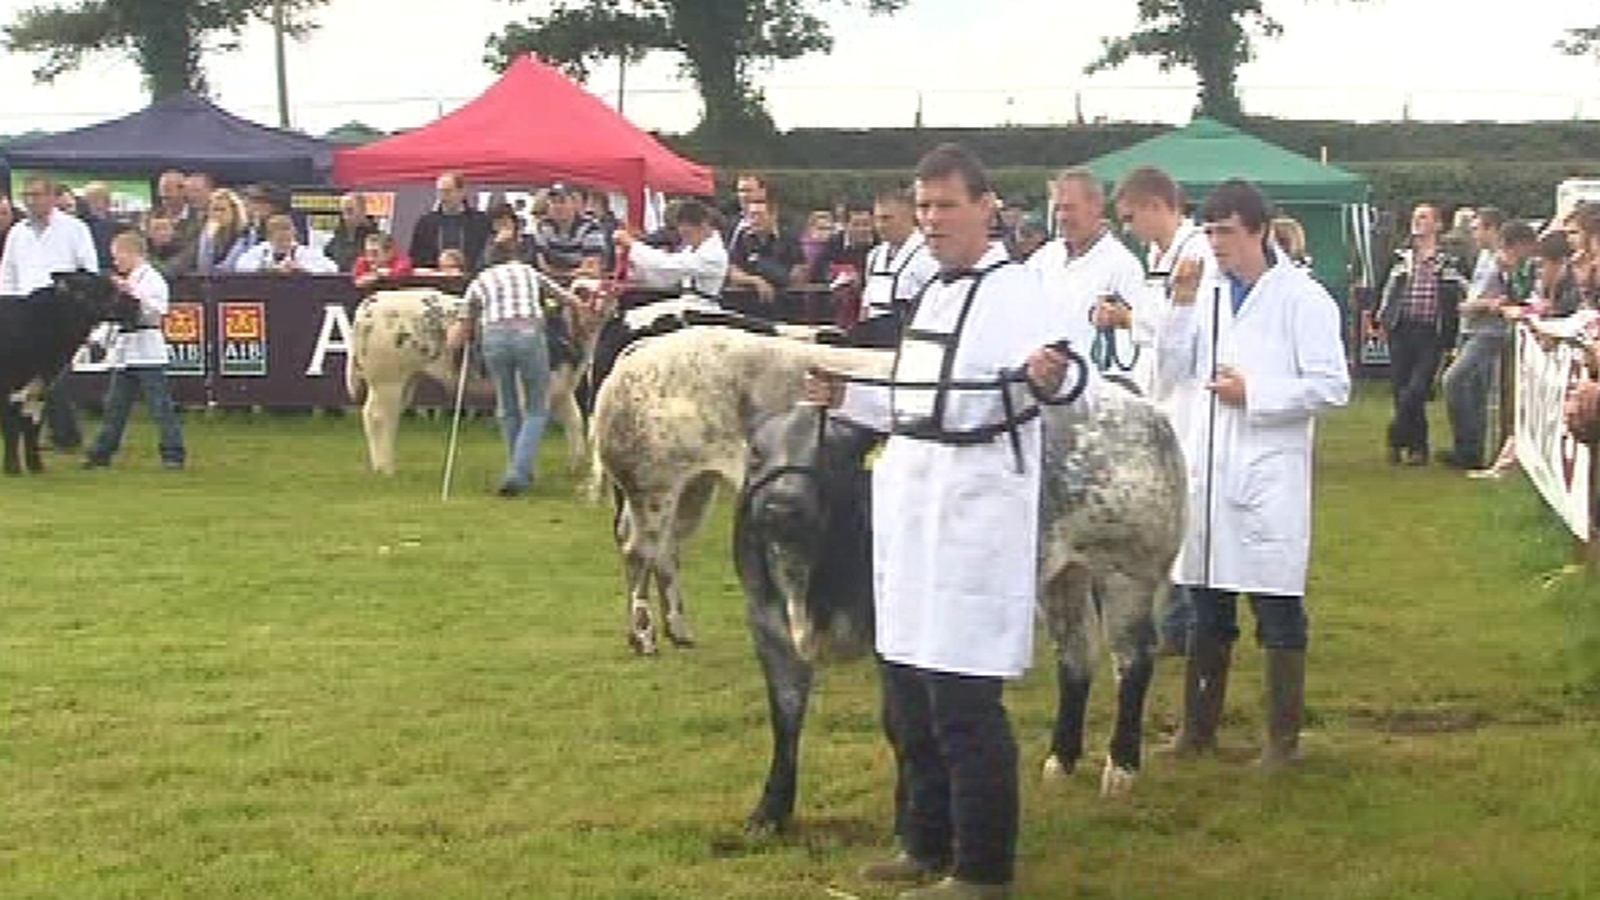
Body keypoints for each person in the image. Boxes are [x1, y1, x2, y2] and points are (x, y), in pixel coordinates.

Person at [804, 143, 1091, 900]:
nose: (930, 220)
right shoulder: (930, 289)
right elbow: (915, 397)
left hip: (974, 510)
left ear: (985, 205)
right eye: (922, 206)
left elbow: (1072, 377)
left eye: (945, 206)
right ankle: (923, 841)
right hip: (910, 503)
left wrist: (1050, 375)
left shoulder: (1024, 291)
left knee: (964, 700)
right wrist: (848, 400)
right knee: (907, 694)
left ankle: (983, 868)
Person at [1155, 179, 1350, 768]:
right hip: (1207, 472)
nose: (1216, 245)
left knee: (1276, 607)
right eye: (1209, 231)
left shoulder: (1303, 298)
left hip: (1267, 475)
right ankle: (1197, 731)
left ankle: (1281, 742)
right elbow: (1168, 370)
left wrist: (1256, 393)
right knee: (1207, 603)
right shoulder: (1204, 291)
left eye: (1227, 233)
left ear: (1260, 231)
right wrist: (1180, 307)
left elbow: (1332, 386)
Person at [1113, 164, 1217, 658]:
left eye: (1133, 217)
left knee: (1185, 512)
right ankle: (1178, 621)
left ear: (1157, 206)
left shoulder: (1197, 256)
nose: (1130, 229)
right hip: (1163, 394)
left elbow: (1181, 334)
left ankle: (1182, 623)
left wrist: (1129, 318)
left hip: (1191, 400)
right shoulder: (1162, 254)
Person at [454, 259, 587, 496]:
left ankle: (519, 469)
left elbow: (462, 329)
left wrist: (454, 341)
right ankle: (518, 472)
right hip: (528, 333)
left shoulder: (480, 281)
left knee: (507, 405)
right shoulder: (527, 271)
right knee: (537, 407)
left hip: (493, 337)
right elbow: (568, 299)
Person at [0, 173, 100, 451]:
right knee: (24, 381)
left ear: (52, 197)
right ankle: (36, 434)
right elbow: (7, 273)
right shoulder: (19, 232)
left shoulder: (74, 228)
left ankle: (63, 433)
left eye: (37, 195)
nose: (31, 201)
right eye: (27, 196)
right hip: (24, 315)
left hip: (60, 313)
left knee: (52, 377)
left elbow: (88, 270)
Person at [1027, 166, 1151, 392]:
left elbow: (1132, 349)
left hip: (1093, 397)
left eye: (1070, 208)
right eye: (1058, 209)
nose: (1062, 217)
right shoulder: (1043, 259)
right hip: (1040, 394)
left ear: (1096, 207)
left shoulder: (1123, 266)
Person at [82, 230, 186, 470]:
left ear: (131, 253)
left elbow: (157, 311)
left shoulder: (152, 279)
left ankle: (173, 452)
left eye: (117, 256)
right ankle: (102, 452)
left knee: (160, 406)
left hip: (148, 351)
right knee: (115, 407)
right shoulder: (130, 279)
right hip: (125, 352)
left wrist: (130, 293)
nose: (116, 262)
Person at [1375, 202, 1468, 465]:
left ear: (1438, 224)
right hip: (1401, 328)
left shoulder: (1449, 260)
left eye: (1425, 217)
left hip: (1432, 332)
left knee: (1417, 389)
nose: (1419, 221)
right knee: (1400, 386)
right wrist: (1382, 318)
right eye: (1416, 217)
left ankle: (1396, 436)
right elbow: (1385, 288)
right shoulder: (1400, 257)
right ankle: (1417, 447)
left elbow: (1464, 287)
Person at [1438, 214, 1522, 469]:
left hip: (1488, 331)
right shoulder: (1484, 256)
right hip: (1472, 327)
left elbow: (1510, 296)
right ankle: (1470, 451)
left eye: (1477, 228)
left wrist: (1479, 304)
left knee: (1453, 381)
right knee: (1474, 392)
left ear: (1492, 229)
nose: (1473, 234)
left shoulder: (1502, 260)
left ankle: (1468, 448)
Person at [857, 186, 939, 327]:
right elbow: (866, 306)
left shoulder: (929, 256)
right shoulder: (874, 255)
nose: (880, 226)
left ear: (909, 217)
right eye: (877, 219)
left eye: (887, 219)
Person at [613, 199, 728, 298]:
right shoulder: (692, 249)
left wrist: (631, 244)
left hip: (702, 308)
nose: (684, 237)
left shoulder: (712, 255)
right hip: (687, 302)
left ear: (704, 226)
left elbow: (667, 264)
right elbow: (666, 277)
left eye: (688, 233)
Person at [408, 172, 491, 272]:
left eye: (447, 191)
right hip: (435, 281)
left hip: (472, 280)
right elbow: (416, 257)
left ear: (462, 192)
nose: (442, 197)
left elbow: (486, 254)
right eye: (440, 192)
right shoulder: (425, 223)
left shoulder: (481, 221)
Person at [235, 215, 338, 274]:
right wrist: (266, 269)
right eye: (276, 229)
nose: (282, 234)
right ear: (268, 235)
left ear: (294, 232)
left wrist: (302, 268)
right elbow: (241, 266)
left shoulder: (304, 252)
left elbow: (332, 268)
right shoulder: (261, 250)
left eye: (286, 229)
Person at [193, 189, 250, 276]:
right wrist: (209, 240)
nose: (218, 214)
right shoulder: (207, 232)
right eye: (215, 210)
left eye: (222, 210)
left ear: (234, 212)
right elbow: (203, 267)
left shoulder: (245, 233)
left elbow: (229, 267)